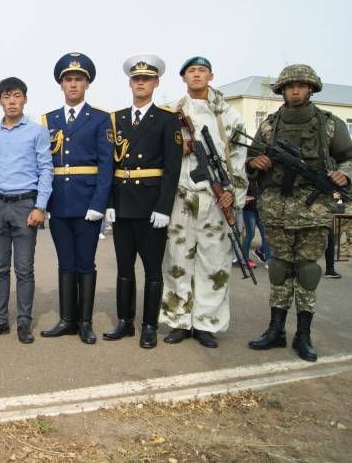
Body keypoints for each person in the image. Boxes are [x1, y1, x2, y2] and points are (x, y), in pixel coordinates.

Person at [247, 64, 352, 362]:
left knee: (308, 271)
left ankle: (304, 335)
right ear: (282, 90)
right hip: (276, 209)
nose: (295, 90)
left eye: (301, 85)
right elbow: (250, 159)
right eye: (289, 86)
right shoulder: (269, 125)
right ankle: (276, 330)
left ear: (311, 88)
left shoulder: (330, 124)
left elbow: (349, 159)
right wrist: (254, 164)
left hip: (312, 211)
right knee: (279, 269)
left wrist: (343, 176)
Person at [159, 56, 248, 349]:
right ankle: (179, 321)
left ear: (211, 75)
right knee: (176, 261)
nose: (196, 75)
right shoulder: (172, 112)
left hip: (215, 197)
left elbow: (238, 159)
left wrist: (232, 193)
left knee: (214, 262)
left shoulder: (228, 115)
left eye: (201, 71)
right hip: (181, 197)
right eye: (191, 71)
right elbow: (158, 152)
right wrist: (178, 149)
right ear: (183, 78)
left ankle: (206, 323)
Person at [102, 55, 182, 348]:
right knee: (124, 269)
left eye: (146, 79)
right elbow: (109, 164)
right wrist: (109, 202)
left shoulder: (167, 118)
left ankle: (149, 325)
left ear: (156, 83)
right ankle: (125, 322)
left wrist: (164, 207)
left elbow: (173, 169)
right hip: (123, 204)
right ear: (130, 83)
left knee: (151, 270)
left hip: (151, 207)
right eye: (136, 79)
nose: (140, 83)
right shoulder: (117, 118)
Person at [39, 53, 113, 344]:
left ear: (87, 84)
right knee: (65, 263)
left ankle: (85, 322)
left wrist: (99, 205)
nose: (73, 84)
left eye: (78, 79)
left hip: (86, 205)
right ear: (61, 85)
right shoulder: (49, 119)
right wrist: (43, 204)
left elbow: (106, 166)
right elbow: (43, 164)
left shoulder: (100, 118)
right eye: (68, 80)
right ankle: (67, 319)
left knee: (86, 263)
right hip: (59, 204)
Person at [0, 77, 53, 344]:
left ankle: (23, 321)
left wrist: (40, 206)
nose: (12, 101)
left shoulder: (37, 131)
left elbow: (46, 169)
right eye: (6, 96)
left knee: (24, 268)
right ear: (0, 101)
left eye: (17, 95)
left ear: (25, 99)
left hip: (25, 205)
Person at [241, 179, 271, 269]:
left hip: (260, 210)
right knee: (250, 234)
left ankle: (268, 260)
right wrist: (246, 198)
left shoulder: (261, 177)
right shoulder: (246, 176)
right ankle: (245, 259)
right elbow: (240, 194)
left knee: (265, 234)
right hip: (249, 210)